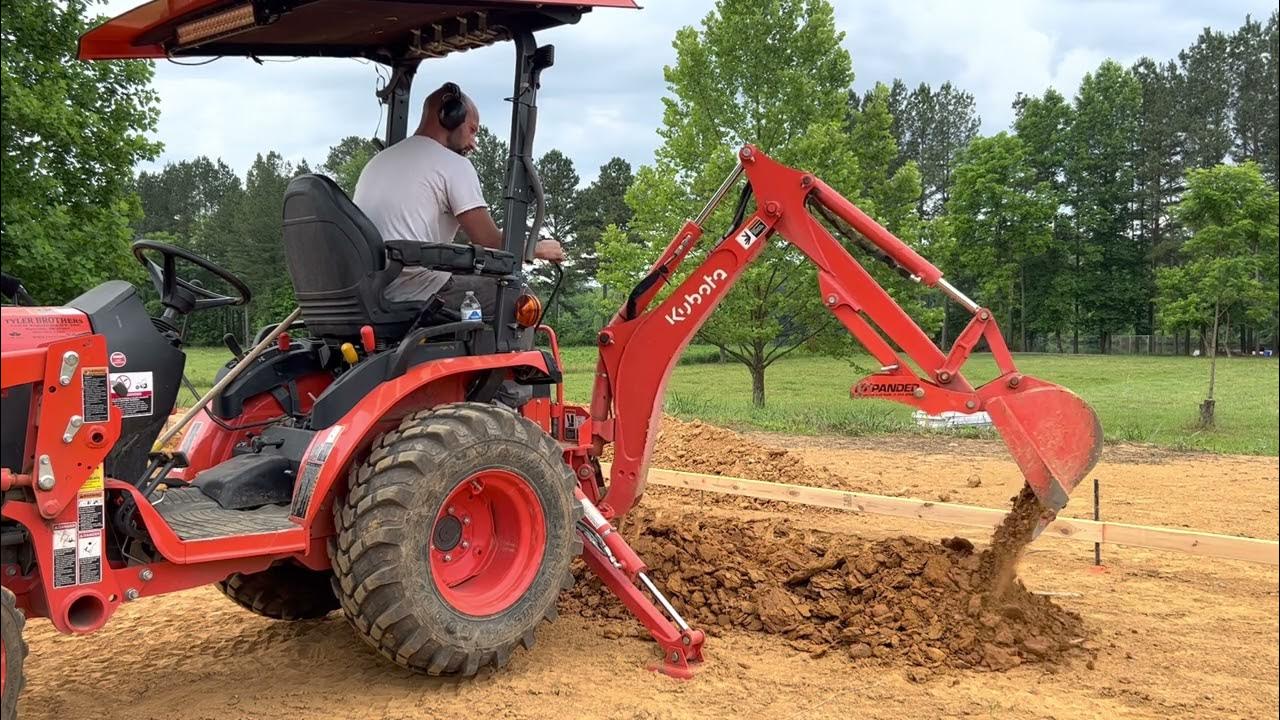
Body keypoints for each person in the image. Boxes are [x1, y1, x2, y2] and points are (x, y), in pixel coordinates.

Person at [353, 81, 563, 315]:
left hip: (370, 291)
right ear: (451, 116)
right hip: (413, 289)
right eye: (473, 130)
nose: (473, 144)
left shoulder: (378, 162)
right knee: (520, 298)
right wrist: (537, 248)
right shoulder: (453, 164)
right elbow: (490, 242)